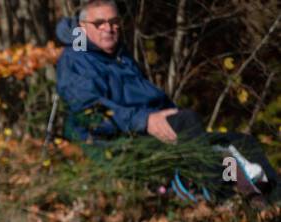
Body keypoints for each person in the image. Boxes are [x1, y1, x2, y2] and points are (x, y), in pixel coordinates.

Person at [55, 1, 278, 199]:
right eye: (100, 23)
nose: (109, 28)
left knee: (240, 143)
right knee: (192, 129)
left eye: (114, 22)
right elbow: (89, 112)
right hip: (116, 139)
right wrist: (145, 120)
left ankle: (269, 205)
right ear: (83, 28)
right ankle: (216, 197)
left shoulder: (117, 55)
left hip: (145, 128)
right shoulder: (77, 58)